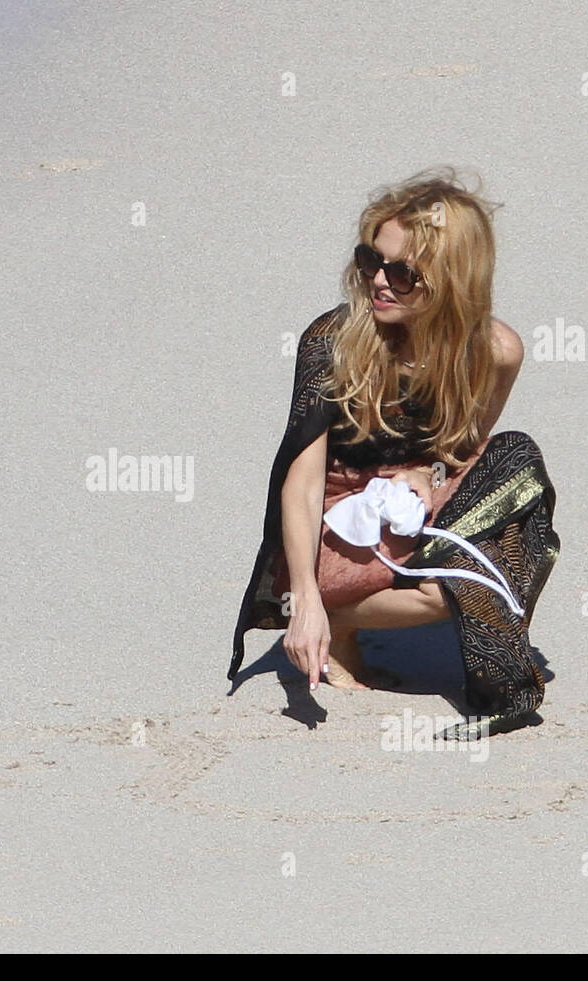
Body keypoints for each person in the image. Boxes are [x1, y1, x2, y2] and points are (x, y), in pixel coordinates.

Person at [228, 169, 560, 739]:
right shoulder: (333, 343)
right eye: (369, 261)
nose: (379, 281)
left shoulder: (495, 352)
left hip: (413, 506)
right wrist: (303, 597)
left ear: (451, 278)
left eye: (403, 272)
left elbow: (460, 453)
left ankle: (494, 672)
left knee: (515, 463)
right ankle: (333, 616)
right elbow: (301, 481)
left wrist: (424, 473)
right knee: (461, 589)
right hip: (339, 524)